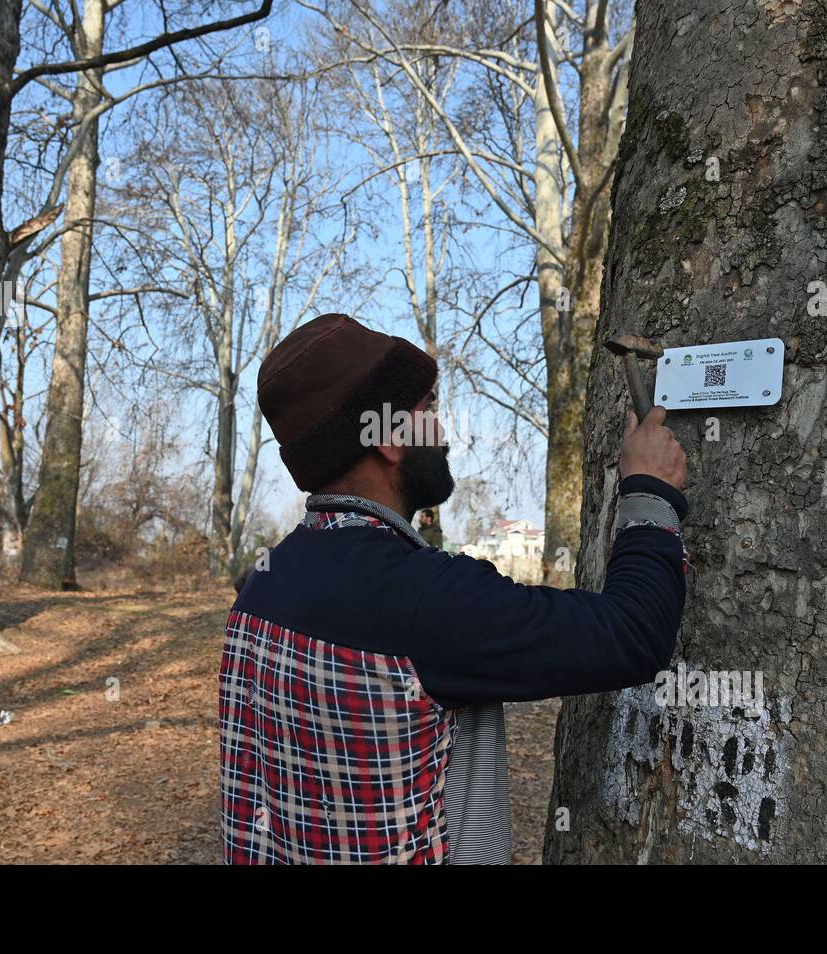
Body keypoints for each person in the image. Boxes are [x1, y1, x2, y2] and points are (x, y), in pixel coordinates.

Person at [220, 313, 688, 864]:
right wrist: (649, 491)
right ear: (392, 436)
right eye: (429, 412)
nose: (442, 432)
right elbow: (632, 634)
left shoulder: (262, 583)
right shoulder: (427, 600)